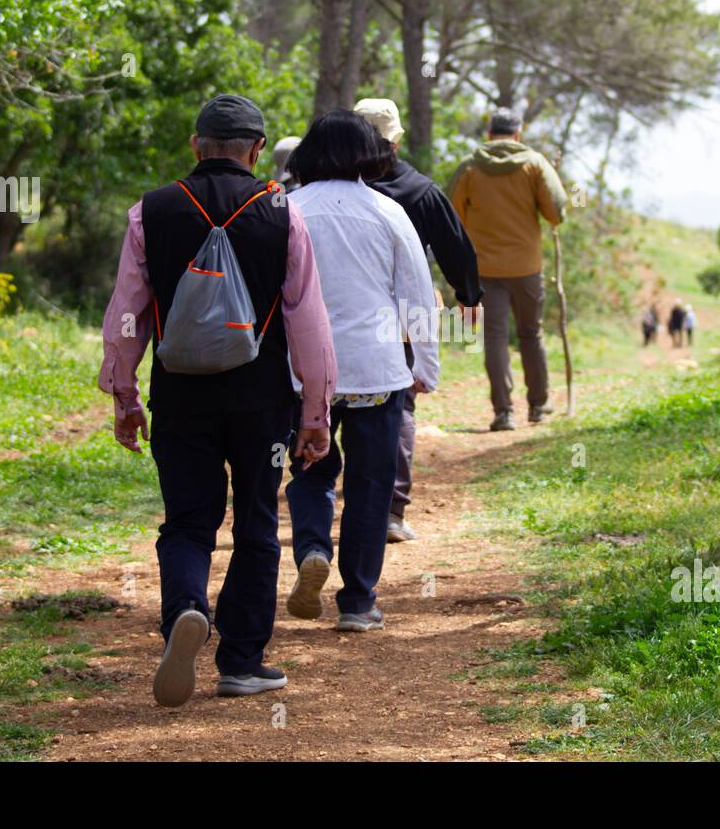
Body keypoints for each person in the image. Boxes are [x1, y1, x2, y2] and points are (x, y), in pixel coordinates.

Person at [99, 94, 337, 707]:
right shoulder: (283, 212)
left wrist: (125, 394)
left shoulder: (148, 212)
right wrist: (316, 412)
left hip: (179, 394)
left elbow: (127, 314)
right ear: (258, 150)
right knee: (257, 521)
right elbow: (308, 321)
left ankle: (185, 609)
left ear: (195, 144)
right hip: (262, 404)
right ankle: (241, 661)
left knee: (187, 521)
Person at [283, 110, 440, 633]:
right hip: (377, 371)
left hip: (302, 374)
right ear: (369, 155)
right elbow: (416, 295)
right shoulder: (389, 211)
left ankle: (310, 548)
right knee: (372, 485)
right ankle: (357, 602)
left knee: (309, 469)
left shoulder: (287, 209)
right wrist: (425, 365)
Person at [354, 97, 481, 544]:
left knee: (327, 400)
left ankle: (319, 500)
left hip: (338, 315)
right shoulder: (419, 190)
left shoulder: (324, 185)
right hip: (402, 316)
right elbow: (455, 246)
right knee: (400, 403)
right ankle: (390, 509)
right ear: (398, 139)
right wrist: (469, 296)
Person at [447, 107, 567, 431]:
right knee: (532, 333)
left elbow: (450, 215)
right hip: (526, 267)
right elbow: (556, 213)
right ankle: (539, 406)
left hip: (484, 268)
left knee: (495, 338)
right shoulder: (535, 164)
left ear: (489, 134)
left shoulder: (470, 166)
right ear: (518, 133)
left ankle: (504, 413)